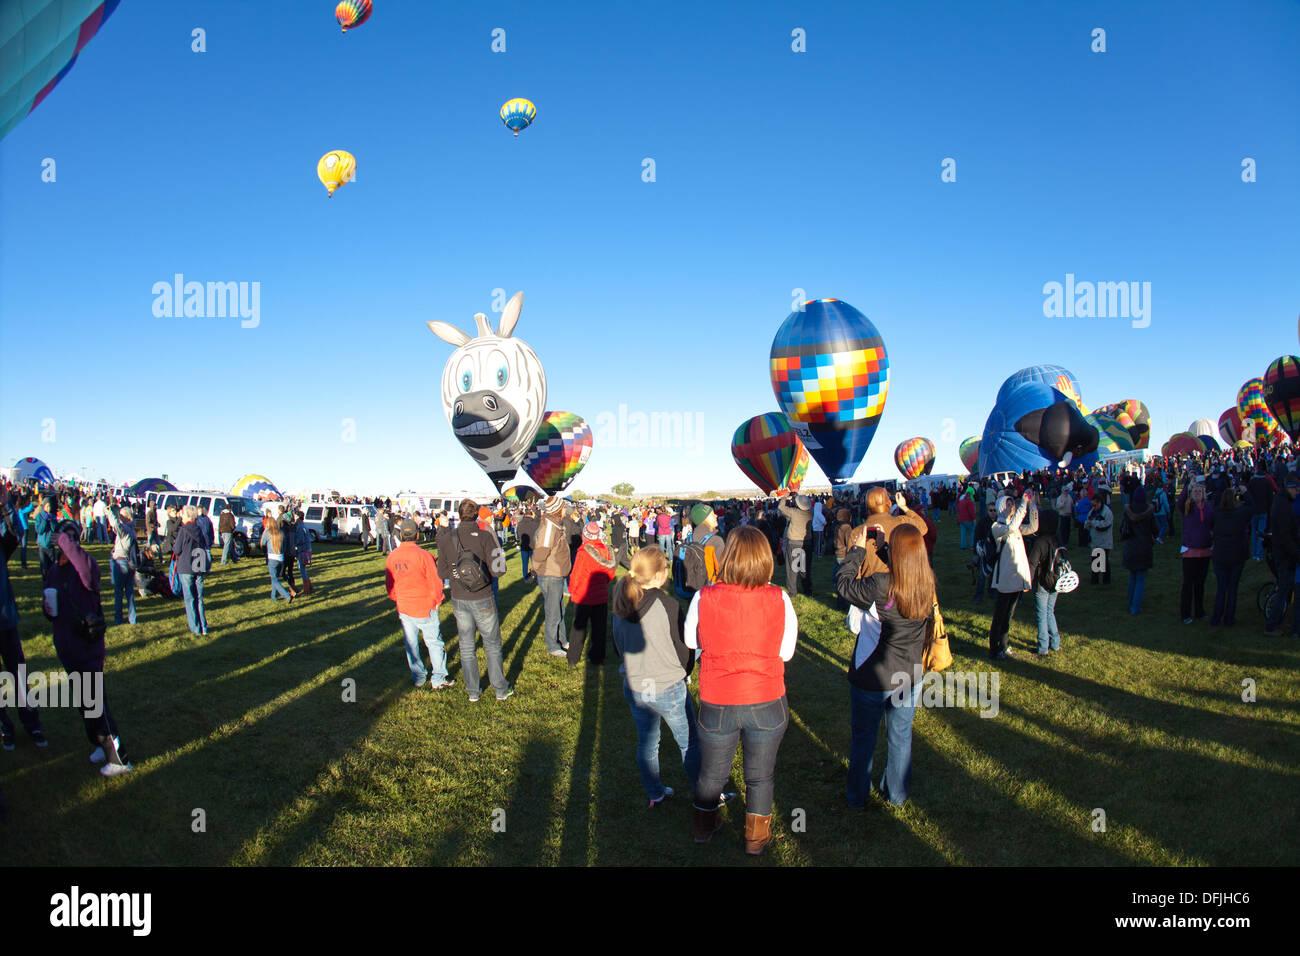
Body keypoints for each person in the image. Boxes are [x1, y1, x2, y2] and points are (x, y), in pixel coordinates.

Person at [684, 526, 797, 856]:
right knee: (760, 777)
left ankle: (703, 828)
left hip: (718, 699)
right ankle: (755, 838)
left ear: (727, 558)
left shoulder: (704, 596)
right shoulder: (779, 597)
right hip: (766, 698)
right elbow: (786, 652)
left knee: (711, 774)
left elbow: (692, 642)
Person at [836, 522, 934, 805]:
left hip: (874, 675)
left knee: (864, 738)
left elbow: (843, 584)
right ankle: (897, 794)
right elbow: (905, 564)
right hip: (910, 673)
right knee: (901, 736)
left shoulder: (881, 586)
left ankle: (856, 795)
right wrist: (880, 545)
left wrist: (856, 550)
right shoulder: (925, 582)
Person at [611, 546, 700, 807]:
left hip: (636, 684)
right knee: (689, 742)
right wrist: (686, 670)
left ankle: (655, 793)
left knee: (648, 743)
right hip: (666, 685)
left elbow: (617, 647)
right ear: (660, 575)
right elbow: (683, 647)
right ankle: (703, 793)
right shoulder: (667, 604)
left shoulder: (620, 605)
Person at [44, 531, 132, 775]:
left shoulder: (87, 566)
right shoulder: (54, 571)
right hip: (67, 647)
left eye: (69, 538)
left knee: (96, 704)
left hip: (87, 648)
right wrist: (47, 608)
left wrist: (64, 539)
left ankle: (120, 758)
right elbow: (50, 603)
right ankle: (100, 744)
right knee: (84, 704)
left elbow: (81, 563)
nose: (64, 544)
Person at [437, 499, 510, 702]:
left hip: (460, 597)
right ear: (477, 514)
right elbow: (499, 569)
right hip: (483, 596)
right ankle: (500, 689)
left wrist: (457, 574)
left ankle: (473, 691)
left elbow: (441, 571)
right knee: (492, 644)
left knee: (467, 645)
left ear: (459, 515)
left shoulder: (447, 538)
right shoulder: (486, 536)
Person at [0, 488, 46, 750]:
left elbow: (15, 535)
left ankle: (32, 723)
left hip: (6, 617)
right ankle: (5, 725)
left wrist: (6, 507)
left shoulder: (2, 546)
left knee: (18, 673)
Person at [386, 518, 453, 691]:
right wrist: (437, 600)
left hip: (405, 606)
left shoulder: (393, 556)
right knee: (434, 642)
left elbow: (389, 584)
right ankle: (438, 677)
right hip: (425, 606)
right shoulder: (424, 556)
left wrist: (396, 598)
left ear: (401, 535)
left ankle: (418, 676)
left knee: (412, 643)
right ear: (417, 534)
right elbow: (436, 581)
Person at [988, 491, 1038, 660]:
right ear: (1001, 507)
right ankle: (994, 649)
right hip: (1004, 579)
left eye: (1012, 504)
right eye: (1008, 505)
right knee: (1000, 615)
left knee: (1009, 615)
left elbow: (1033, 528)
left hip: (1016, 578)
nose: (1012, 507)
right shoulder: (997, 527)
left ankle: (1004, 644)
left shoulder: (1014, 525)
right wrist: (1023, 504)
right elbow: (1011, 528)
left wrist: (1032, 506)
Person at [567, 522, 617, 666]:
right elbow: (610, 575)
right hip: (601, 596)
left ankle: (573, 658)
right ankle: (597, 657)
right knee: (599, 629)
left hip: (583, 596)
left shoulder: (583, 552)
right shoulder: (606, 551)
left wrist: (572, 590)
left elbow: (575, 575)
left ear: (585, 536)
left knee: (579, 628)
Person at [531, 496, 572, 658]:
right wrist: (537, 568)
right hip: (550, 574)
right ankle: (552, 645)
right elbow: (541, 551)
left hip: (556, 573)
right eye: (563, 507)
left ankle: (562, 640)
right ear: (557, 510)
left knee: (560, 609)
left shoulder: (556, 525)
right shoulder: (549, 527)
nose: (565, 510)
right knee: (553, 611)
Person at [1211, 485, 1252, 627]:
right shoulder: (1240, 513)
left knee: (1221, 589)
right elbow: (1253, 507)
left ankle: (1216, 618)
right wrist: (1245, 493)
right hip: (1236, 555)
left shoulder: (1217, 513)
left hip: (1221, 555)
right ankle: (1229, 619)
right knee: (1232, 589)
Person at [1263, 473, 1299, 637]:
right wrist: (1296, 553)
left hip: (1281, 551)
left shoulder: (1282, 501)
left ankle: (1277, 621)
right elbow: (1285, 534)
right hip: (1283, 553)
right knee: (1284, 589)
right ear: (1289, 488)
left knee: (1285, 588)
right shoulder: (1283, 505)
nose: (1297, 492)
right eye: (1296, 489)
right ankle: (1271, 625)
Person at [1026, 511, 1064, 652]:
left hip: (1043, 580)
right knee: (1050, 611)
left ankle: (1043, 646)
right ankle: (1055, 642)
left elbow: (1032, 563)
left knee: (1042, 614)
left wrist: (1028, 581)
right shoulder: (1058, 538)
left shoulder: (1040, 542)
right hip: (1057, 580)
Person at [1179, 481, 1214, 624]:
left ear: (1204, 494)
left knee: (1200, 584)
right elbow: (1180, 502)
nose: (1198, 494)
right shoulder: (1188, 507)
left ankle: (1199, 611)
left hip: (1205, 551)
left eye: (1200, 491)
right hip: (1190, 551)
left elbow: (1214, 523)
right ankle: (1185, 613)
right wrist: (1188, 486)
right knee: (1188, 584)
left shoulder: (1209, 508)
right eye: (1195, 492)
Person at [173, 505, 211, 636]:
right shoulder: (199, 529)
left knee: (190, 598)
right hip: (198, 564)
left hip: (186, 565)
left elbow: (177, 549)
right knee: (199, 598)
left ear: (187, 516)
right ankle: (204, 627)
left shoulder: (183, 530)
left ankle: (195, 627)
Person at [1120, 487, 1157, 615]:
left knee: (1132, 577)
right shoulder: (1149, 511)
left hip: (1131, 546)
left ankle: (1131, 603)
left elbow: (1122, 528)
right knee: (1141, 578)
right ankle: (1136, 607)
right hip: (1144, 547)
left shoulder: (1127, 510)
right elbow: (1155, 530)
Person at [105, 505, 138, 626]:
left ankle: (118, 619)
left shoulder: (124, 529)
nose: (120, 518)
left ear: (127, 517)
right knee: (129, 592)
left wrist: (109, 513)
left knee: (118, 592)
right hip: (130, 563)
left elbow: (115, 526)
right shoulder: (132, 529)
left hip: (120, 561)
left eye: (122, 516)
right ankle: (133, 618)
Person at [778, 494, 814, 595]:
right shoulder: (810, 513)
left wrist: (784, 497)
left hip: (794, 543)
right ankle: (807, 590)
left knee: (792, 568)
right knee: (805, 568)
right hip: (806, 543)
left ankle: (792, 591)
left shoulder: (793, 513)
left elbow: (781, 507)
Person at [261, 517, 296, 603]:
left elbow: (263, 544)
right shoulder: (281, 533)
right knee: (275, 578)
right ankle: (273, 597)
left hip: (272, 558)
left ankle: (287, 595)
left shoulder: (267, 532)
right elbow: (284, 546)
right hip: (281, 558)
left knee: (274, 579)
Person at [1247, 463, 1275, 561]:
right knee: (1261, 533)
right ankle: (1259, 554)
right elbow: (1270, 497)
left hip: (1254, 511)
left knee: (1254, 533)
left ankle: (1254, 553)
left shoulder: (1252, 482)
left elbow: (1248, 496)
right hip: (1263, 510)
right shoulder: (1267, 481)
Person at [1085, 491, 1114, 585]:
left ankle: (1106, 581)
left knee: (1104, 562)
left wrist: (1093, 524)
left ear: (1099, 502)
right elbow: (1088, 520)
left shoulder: (1107, 512)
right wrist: (1087, 524)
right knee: (1095, 561)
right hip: (1095, 541)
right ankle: (1095, 581)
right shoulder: (1093, 511)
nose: (1093, 506)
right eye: (1092, 505)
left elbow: (1106, 525)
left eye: (1094, 504)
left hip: (1104, 541)